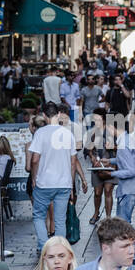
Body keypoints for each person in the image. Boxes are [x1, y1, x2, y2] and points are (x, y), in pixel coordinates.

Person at [27, 101, 86, 250]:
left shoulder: (40, 133)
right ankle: (60, 249)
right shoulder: (68, 134)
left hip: (44, 182)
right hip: (64, 183)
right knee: (60, 219)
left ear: (44, 115)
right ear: (59, 114)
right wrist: (71, 184)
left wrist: (34, 177)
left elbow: (34, 160)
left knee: (39, 216)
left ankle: (43, 246)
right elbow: (73, 161)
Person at [84, 113, 116, 224]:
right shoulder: (92, 133)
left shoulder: (112, 132)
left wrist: (113, 147)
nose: (96, 122)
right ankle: (96, 213)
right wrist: (92, 157)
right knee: (97, 192)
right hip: (97, 166)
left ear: (104, 120)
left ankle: (108, 217)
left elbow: (121, 146)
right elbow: (87, 149)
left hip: (110, 165)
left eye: (98, 119)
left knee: (108, 190)